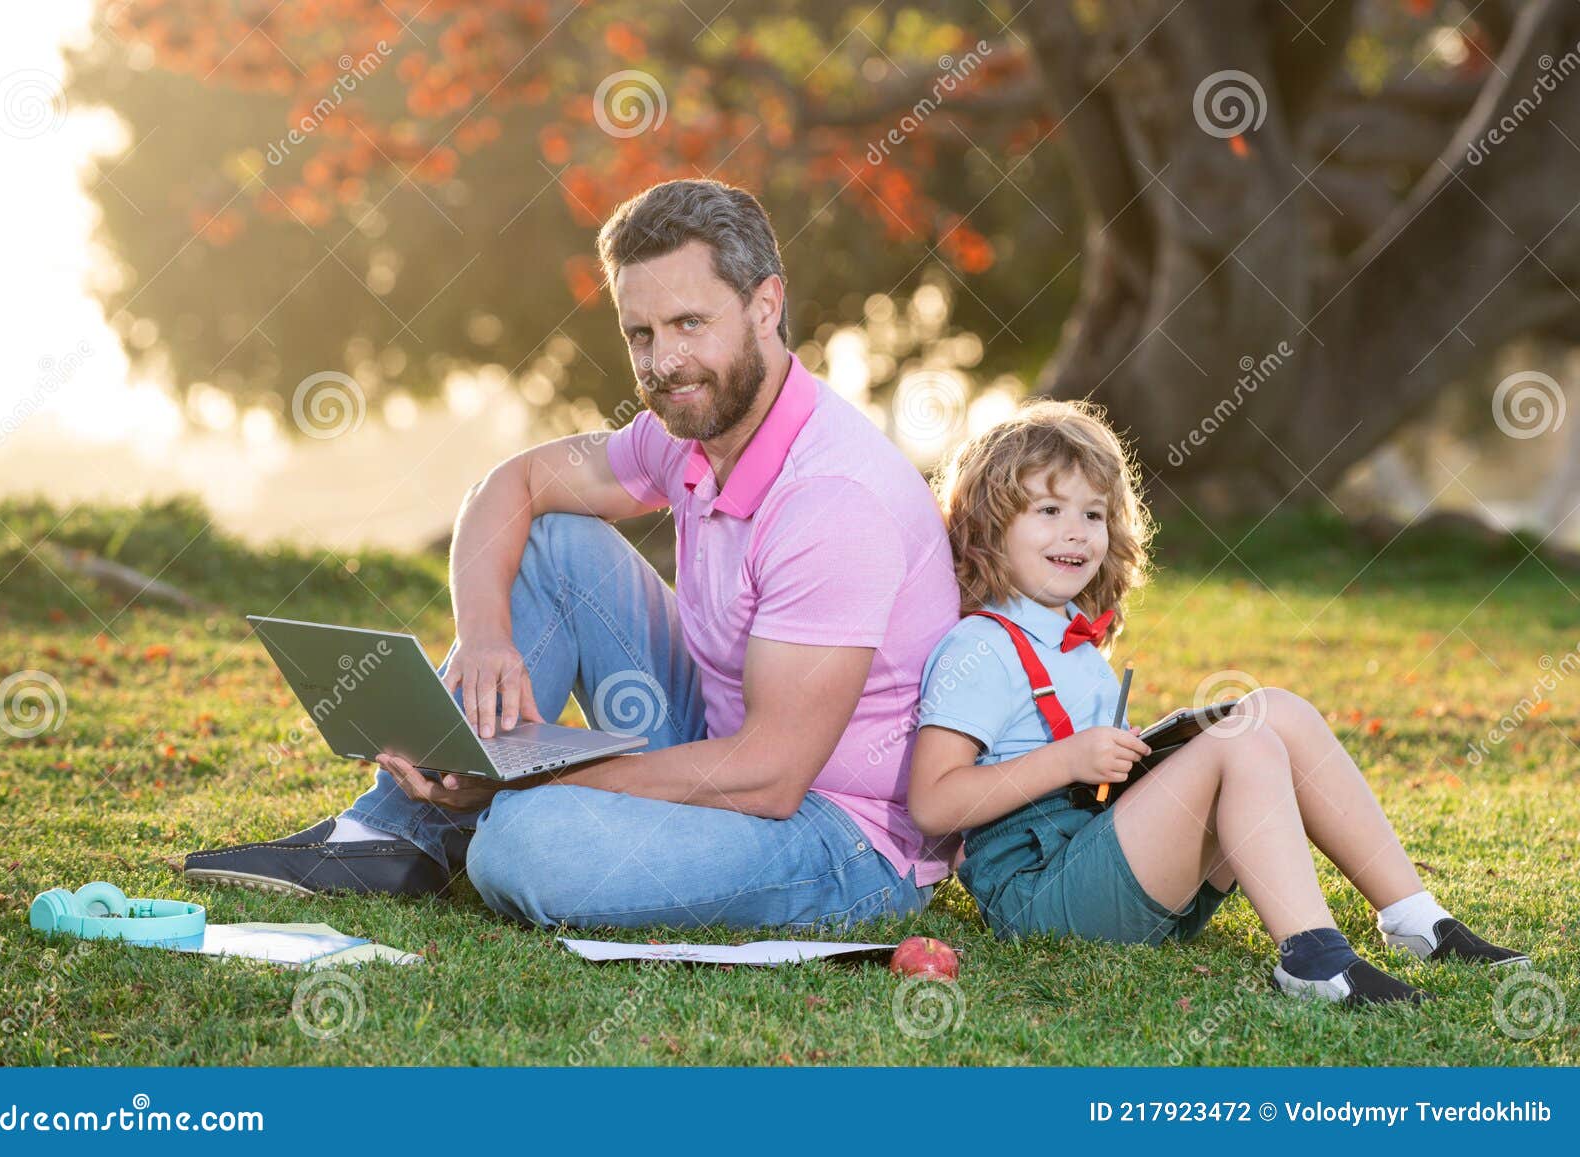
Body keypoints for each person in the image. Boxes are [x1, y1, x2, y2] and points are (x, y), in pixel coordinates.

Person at [186, 178, 960, 928]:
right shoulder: (689, 433)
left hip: (838, 834)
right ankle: (392, 838)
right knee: (554, 539)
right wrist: (487, 634)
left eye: (691, 323)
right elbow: (511, 484)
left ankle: (485, 811)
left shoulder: (831, 498)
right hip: (719, 743)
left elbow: (771, 773)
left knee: (528, 842)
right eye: (641, 333)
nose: (664, 364)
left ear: (766, 305)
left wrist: (538, 777)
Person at [907, 399, 1528, 1004]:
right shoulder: (982, 647)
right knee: (1242, 742)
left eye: (1094, 514)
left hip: (1113, 868)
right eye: (1049, 509)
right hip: (1043, 897)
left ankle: (1416, 919)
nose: (1077, 531)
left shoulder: (1072, 632)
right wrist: (1070, 760)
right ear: (989, 526)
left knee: (1276, 709)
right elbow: (935, 802)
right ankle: (1313, 960)